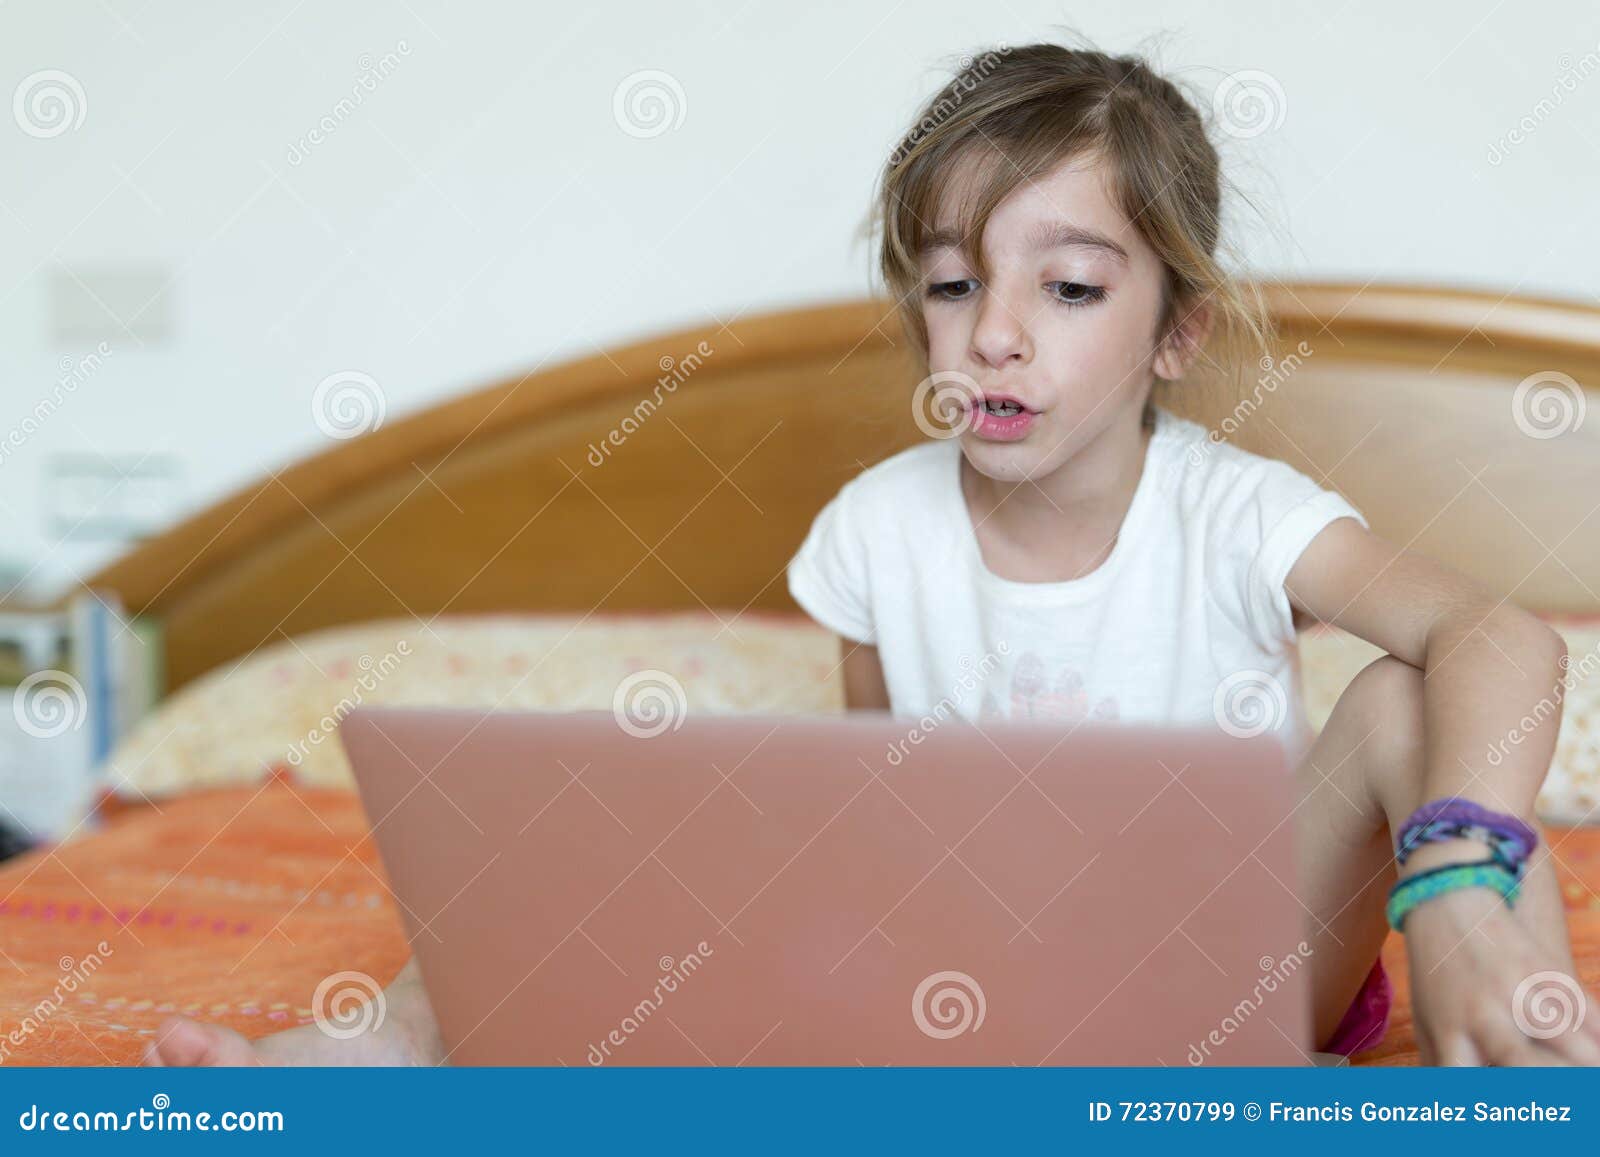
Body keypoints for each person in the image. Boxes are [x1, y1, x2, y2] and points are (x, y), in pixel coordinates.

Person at [145, 39, 1600, 1069]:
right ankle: (381, 1048)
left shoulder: (1237, 511)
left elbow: (1507, 638)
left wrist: (1452, 885)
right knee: (606, 812)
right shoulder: (875, 533)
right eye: (954, 284)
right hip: (976, 989)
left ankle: (1510, 1018)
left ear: (1177, 332)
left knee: (1409, 700)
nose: (997, 334)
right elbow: (867, 809)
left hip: (1239, 975)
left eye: (1069, 287)